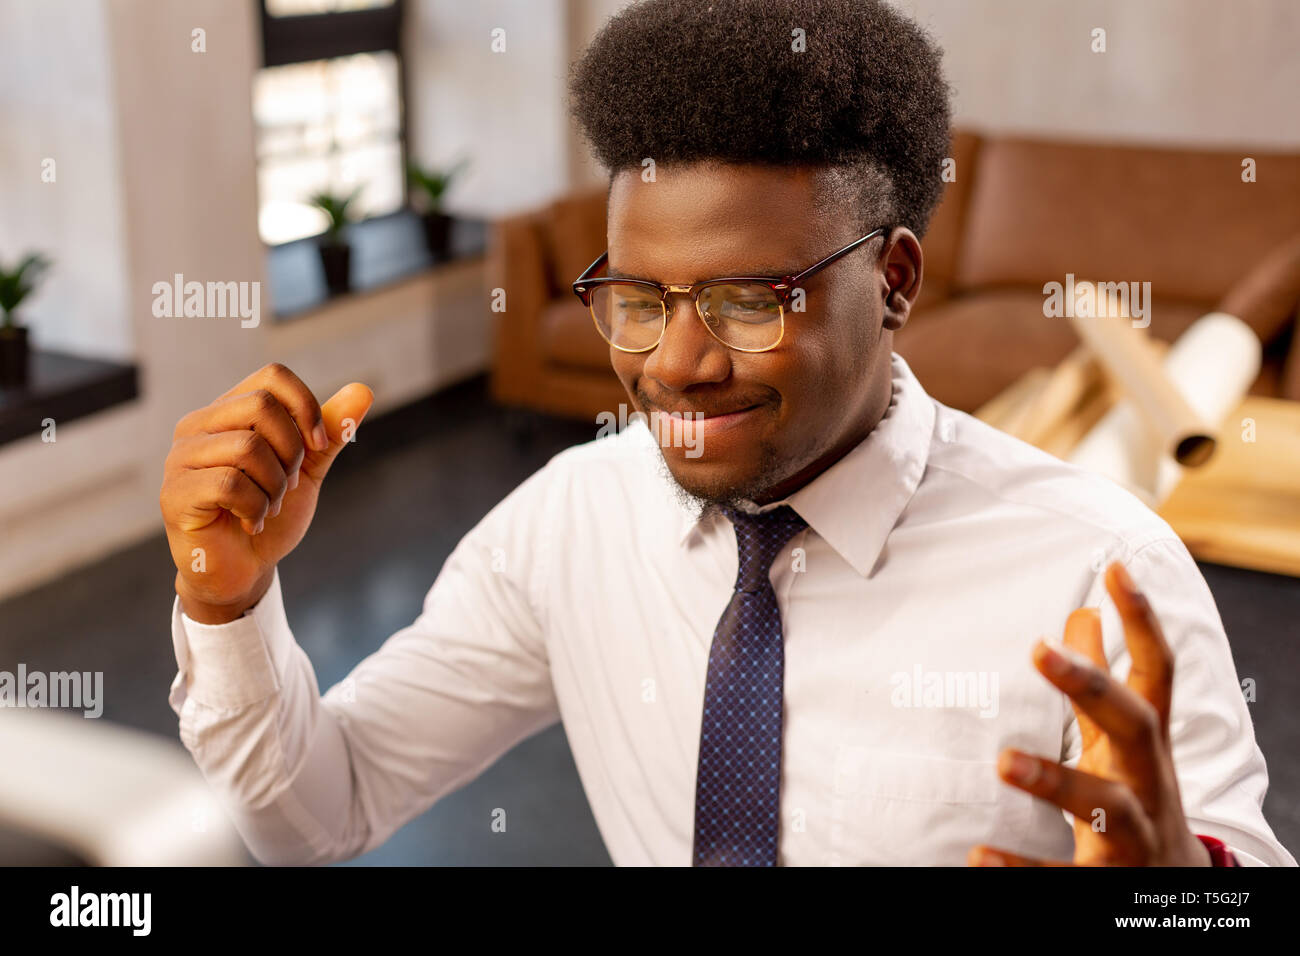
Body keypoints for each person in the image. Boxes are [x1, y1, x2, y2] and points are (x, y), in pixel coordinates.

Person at [159, 0, 1293, 866]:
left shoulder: (1100, 570)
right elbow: (323, 807)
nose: (676, 364)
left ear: (894, 279)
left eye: (751, 300)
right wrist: (226, 604)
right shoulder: (574, 520)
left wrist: (1173, 891)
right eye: (639, 301)